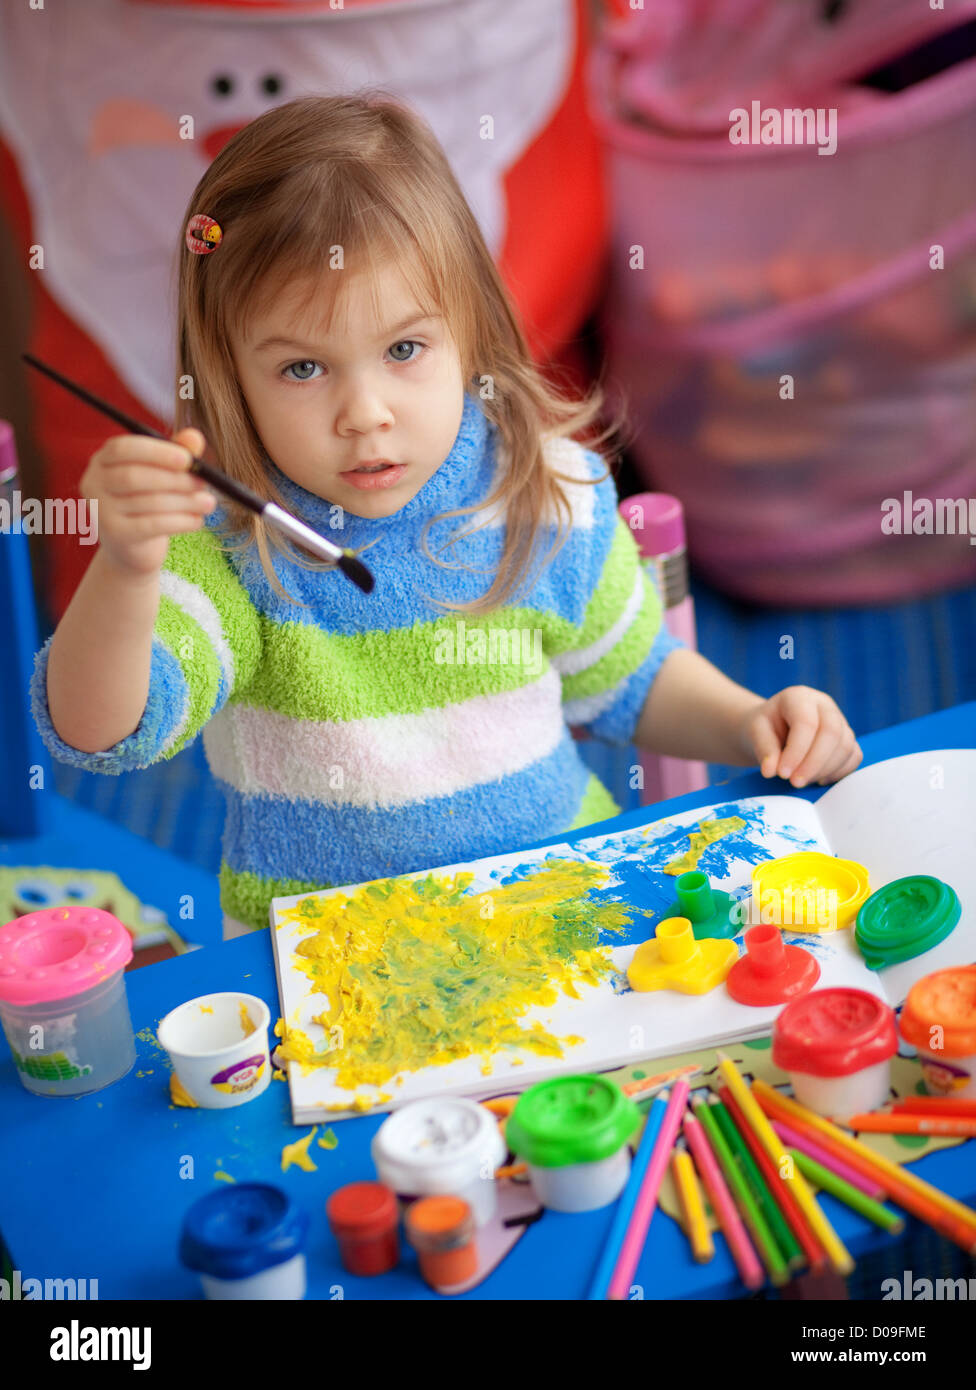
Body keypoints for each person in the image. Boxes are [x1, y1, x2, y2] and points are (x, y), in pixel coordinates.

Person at [32, 92, 862, 939]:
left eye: (403, 350)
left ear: (468, 328)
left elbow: (635, 679)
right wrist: (128, 567)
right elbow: (99, 733)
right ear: (227, 376)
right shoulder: (230, 550)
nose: (366, 412)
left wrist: (751, 720)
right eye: (302, 369)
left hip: (565, 913)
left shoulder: (547, 493)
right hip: (336, 970)